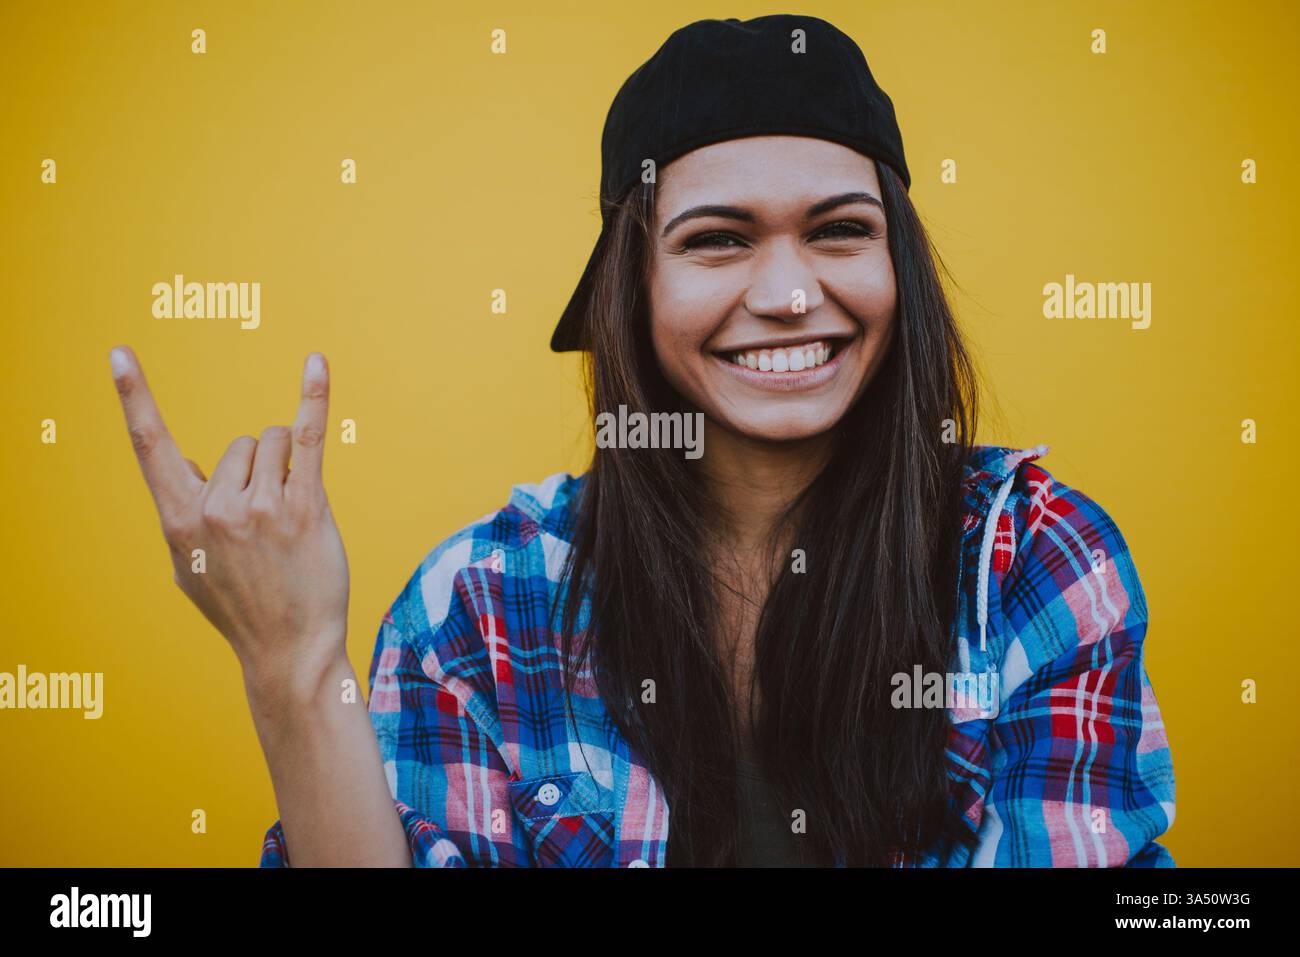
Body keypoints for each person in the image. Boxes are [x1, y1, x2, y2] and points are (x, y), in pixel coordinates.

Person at [109, 14, 1175, 867]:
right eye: (717, 241)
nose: (793, 293)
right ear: (633, 287)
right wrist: (292, 669)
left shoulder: (1031, 562)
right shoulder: (481, 602)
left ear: (899, 266)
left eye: (841, 231)